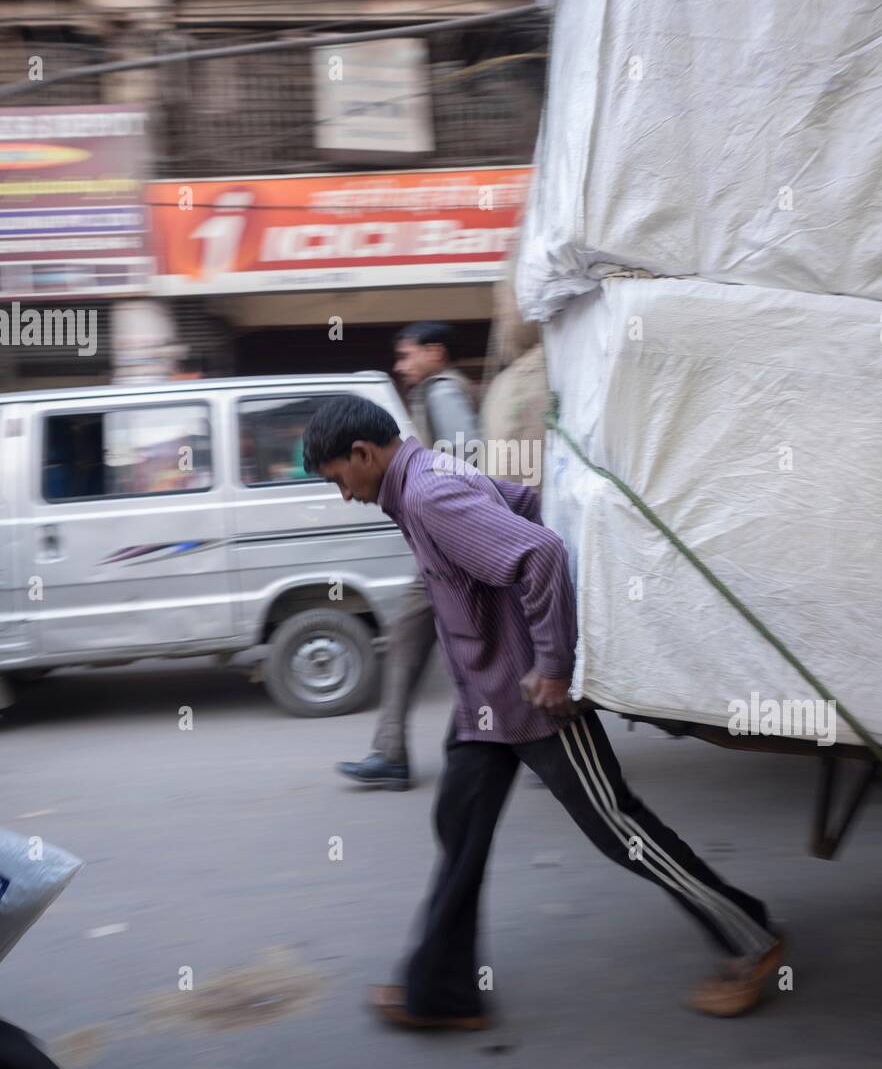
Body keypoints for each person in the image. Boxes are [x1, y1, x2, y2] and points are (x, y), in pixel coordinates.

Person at [303, 396, 785, 1024]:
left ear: (363, 454)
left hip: (530, 702)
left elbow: (540, 552)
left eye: (340, 479)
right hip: (484, 705)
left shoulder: (427, 494)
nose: (345, 495)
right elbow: (528, 504)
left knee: (621, 831)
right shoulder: (430, 479)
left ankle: (752, 937)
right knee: (460, 833)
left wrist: (555, 666)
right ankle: (442, 991)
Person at [335, 321, 480, 792]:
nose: (401, 366)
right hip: (451, 539)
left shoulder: (443, 392)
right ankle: (391, 752)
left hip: (455, 539)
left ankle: (544, 734)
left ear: (435, 352)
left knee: (457, 643)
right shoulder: (439, 391)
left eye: (407, 355)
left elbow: (466, 460)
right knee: (414, 637)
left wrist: (441, 521)